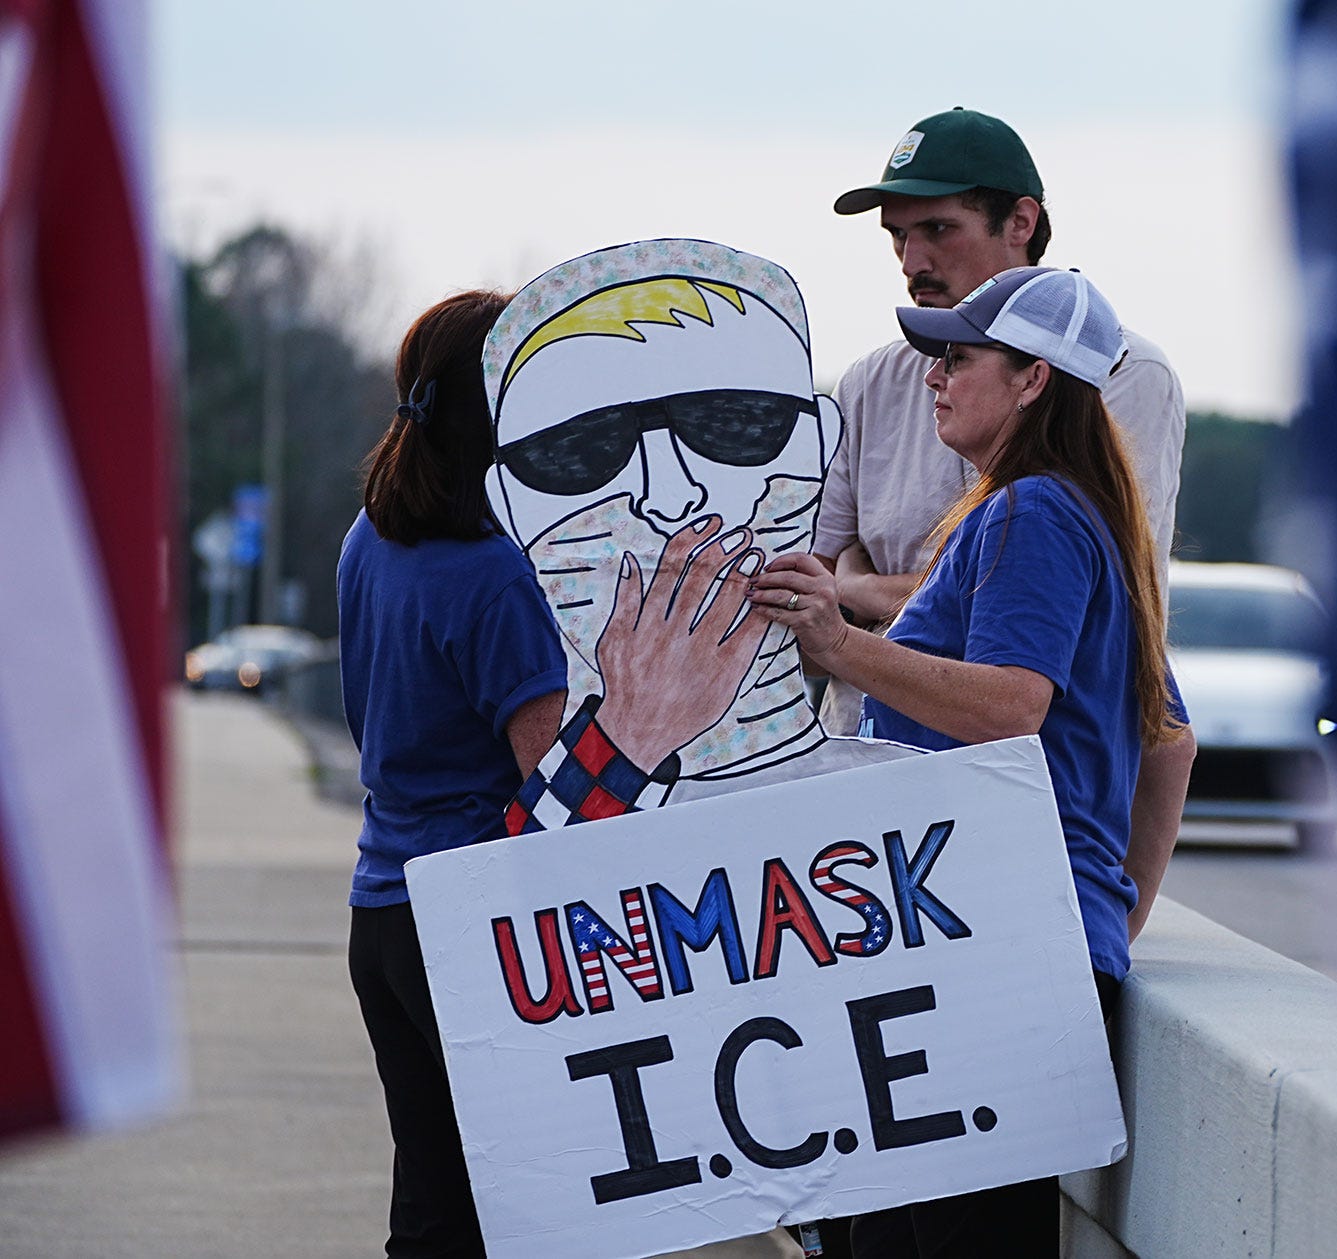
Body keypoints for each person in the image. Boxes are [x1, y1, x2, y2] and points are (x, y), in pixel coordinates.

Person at [755, 267, 1188, 1256]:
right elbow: (1172, 739)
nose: (932, 375)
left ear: (1033, 379)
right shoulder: (1079, 514)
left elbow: (1010, 706)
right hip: (1011, 942)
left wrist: (838, 642)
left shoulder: (1034, 512)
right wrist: (1104, 914)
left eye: (957, 357)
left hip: (999, 948)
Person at [482, 239, 917, 834]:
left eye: (732, 424)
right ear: (507, 502)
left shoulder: (909, 807)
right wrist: (629, 731)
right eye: (579, 453)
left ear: (820, 444)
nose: (670, 496)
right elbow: (538, 873)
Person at [817, 107, 1187, 735]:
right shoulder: (867, 381)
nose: (911, 260)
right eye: (897, 236)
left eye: (938, 228)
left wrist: (859, 593)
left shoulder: (1118, 368)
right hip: (861, 770)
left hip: (1026, 778)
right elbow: (806, 593)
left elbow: (1081, 601)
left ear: (1021, 221)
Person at [339, 290, 569, 1258]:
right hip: (473, 923)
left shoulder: (370, 535)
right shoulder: (494, 575)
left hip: (383, 907)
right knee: (523, 1215)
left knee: (430, 1210)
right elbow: (553, 787)